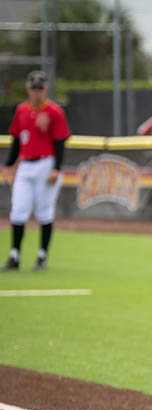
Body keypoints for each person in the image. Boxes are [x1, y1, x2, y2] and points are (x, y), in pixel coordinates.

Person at [2, 70, 70, 272]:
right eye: (33, 88)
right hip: (25, 164)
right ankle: (14, 255)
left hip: (45, 164)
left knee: (44, 211)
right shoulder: (21, 110)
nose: (36, 92)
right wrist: (9, 164)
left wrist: (56, 168)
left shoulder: (54, 111)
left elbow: (60, 142)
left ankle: (42, 256)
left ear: (45, 89)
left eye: (40, 88)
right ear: (28, 88)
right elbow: (16, 139)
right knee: (18, 210)